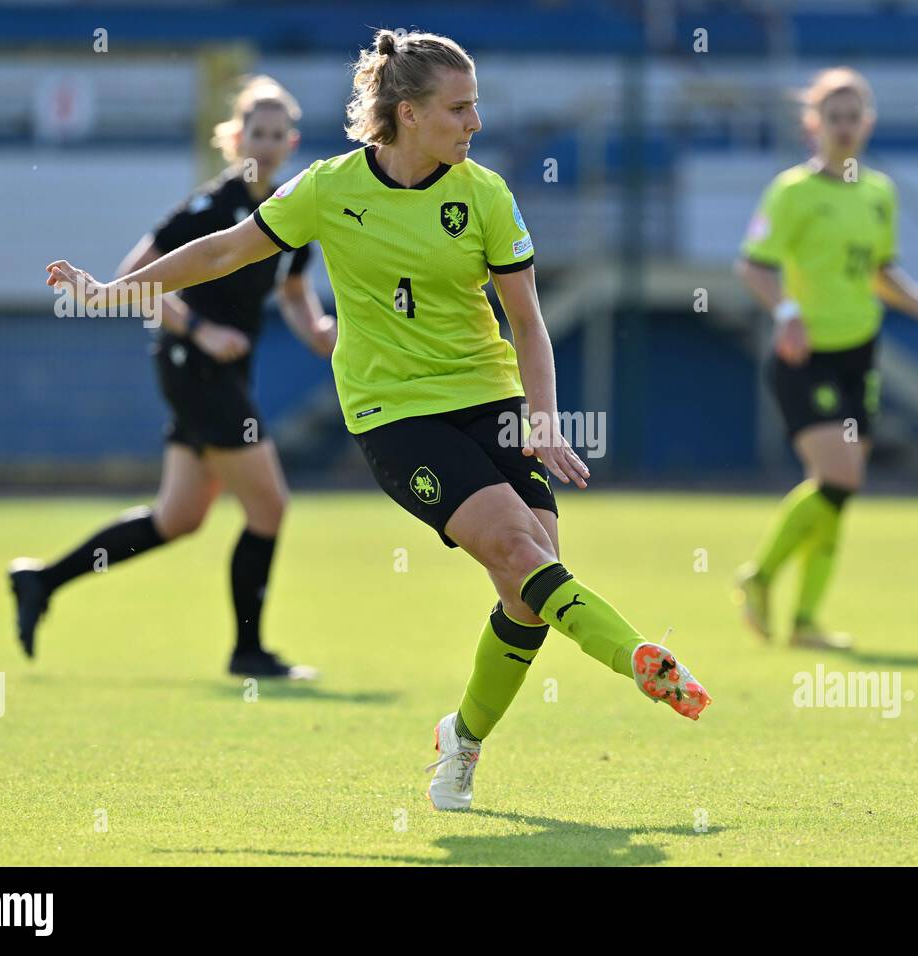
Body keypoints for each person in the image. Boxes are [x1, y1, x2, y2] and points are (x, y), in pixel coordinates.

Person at [41, 31, 711, 812]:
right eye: (460, 109)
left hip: (488, 400)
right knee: (515, 547)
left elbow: (528, 325)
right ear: (408, 114)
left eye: (476, 107)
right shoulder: (329, 188)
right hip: (393, 415)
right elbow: (224, 251)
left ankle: (461, 740)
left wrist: (544, 421)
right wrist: (111, 290)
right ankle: (640, 657)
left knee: (528, 592)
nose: (476, 123)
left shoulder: (485, 194)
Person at [11, 76, 337, 679]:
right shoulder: (212, 207)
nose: (264, 146)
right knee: (269, 505)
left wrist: (318, 330)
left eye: (275, 135)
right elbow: (137, 275)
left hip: (221, 375)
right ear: (234, 138)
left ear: (291, 142)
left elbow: (292, 291)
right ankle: (249, 652)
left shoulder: (291, 212)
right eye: (253, 133)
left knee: (179, 517)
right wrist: (198, 331)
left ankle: (41, 580)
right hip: (194, 368)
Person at [734, 67, 918, 650]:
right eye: (832, 117)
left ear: (866, 123)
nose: (843, 128)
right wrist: (787, 314)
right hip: (805, 353)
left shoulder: (878, 193)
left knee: (839, 492)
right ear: (813, 124)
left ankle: (807, 621)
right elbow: (754, 265)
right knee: (841, 477)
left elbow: (880, 271)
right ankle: (761, 576)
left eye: (853, 117)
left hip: (859, 353)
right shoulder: (792, 191)